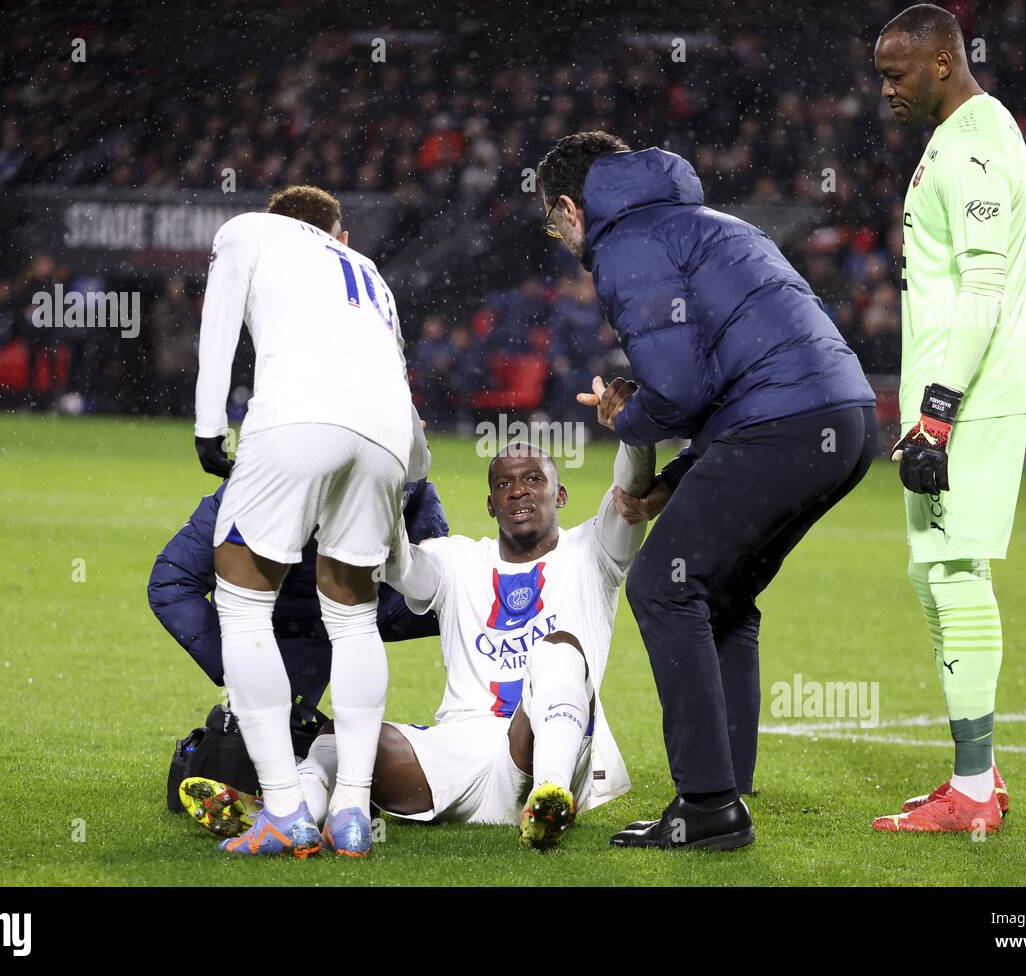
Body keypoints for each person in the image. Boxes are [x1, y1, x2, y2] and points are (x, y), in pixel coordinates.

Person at [538, 131, 877, 850]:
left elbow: (684, 388)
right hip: (841, 421)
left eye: (554, 221)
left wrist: (625, 415)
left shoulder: (625, 245)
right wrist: (676, 481)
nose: (561, 236)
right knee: (720, 595)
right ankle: (727, 781)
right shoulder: (709, 224)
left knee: (662, 586)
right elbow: (734, 375)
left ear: (570, 207)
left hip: (783, 423)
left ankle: (709, 805)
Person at [182, 441, 651, 852]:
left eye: (533, 479)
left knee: (559, 649)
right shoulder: (457, 558)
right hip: (457, 751)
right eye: (505, 484)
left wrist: (636, 428)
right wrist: (387, 481)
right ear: (491, 504)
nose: (519, 490)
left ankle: (550, 800)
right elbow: (403, 569)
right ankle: (293, 810)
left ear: (560, 495)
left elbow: (630, 490)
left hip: (541, 747)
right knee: (342, 733)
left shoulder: (593, 551)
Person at [193, 185, 429, 857]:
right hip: (385, 439)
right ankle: (352, 810)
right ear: (340, 234)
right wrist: (409, 470)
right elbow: (400, 386)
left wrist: (211, 425)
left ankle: (287, 811)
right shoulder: (372, 276)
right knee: (353, 618)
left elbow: (221, 314)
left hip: (297, 418)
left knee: (241, 604)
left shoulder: (250, 230)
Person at [871, 4, 1026, 832]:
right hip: (953, 392)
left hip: (970, 396)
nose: (887, 91)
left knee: (953, 569)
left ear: (943, 61)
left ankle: (973, 790)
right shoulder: (961, 132)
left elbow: (985, 287)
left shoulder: (975, 139)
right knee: (932, 569)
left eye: (897, 73)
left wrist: (939, 411)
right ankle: (979, 777)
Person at [147, 475, 448, 752]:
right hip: (296, 627)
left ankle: (473, 734)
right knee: (255, 752)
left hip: (378, 601)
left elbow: (422, 504)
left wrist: (432, 548)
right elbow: (173, 581)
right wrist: (239, 666)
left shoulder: (390, 461)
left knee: (462, 597)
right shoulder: (252, 486)